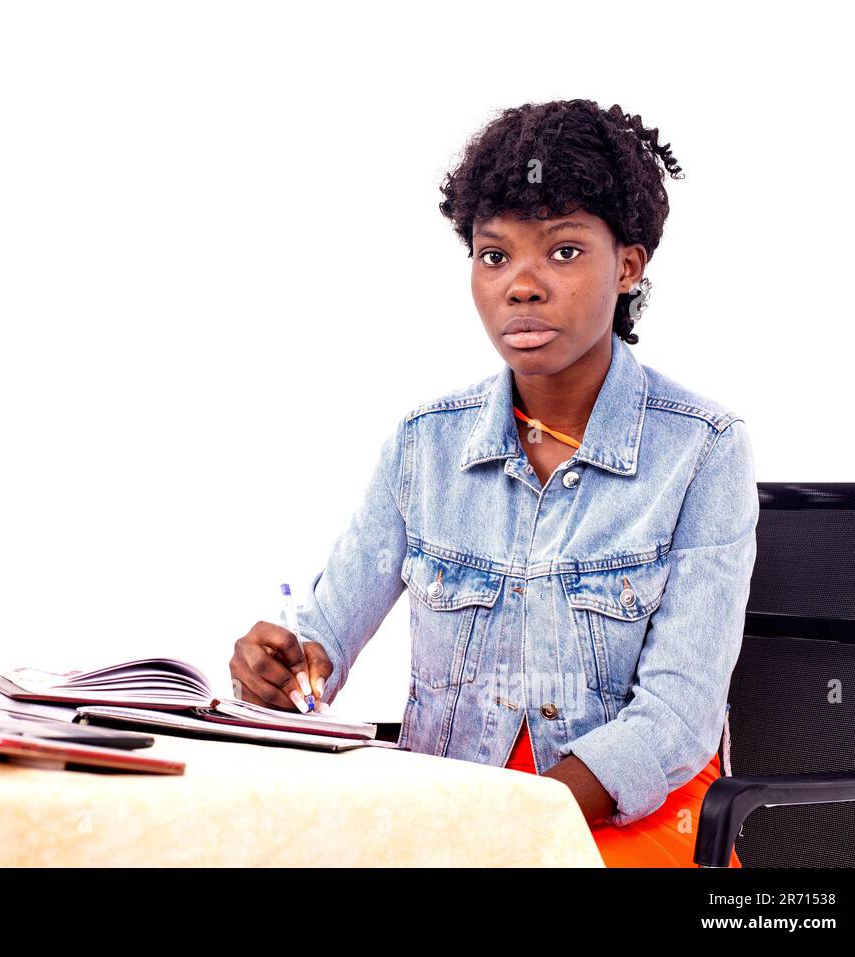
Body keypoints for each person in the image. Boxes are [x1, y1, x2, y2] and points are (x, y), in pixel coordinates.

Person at [229, 99, 757, 868]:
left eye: (564, 252)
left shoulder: (703, 451)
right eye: (494, 255)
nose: (522, 285)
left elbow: (676, 716)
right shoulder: (425, 445)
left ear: (629, 265)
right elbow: (325, 638)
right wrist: (283, 673)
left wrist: (507, 826)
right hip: (453, 826)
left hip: (623, 830)